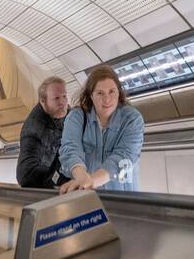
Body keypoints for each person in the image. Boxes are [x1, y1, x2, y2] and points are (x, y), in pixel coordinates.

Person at [59, 65, 145, 193]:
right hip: (87, 197)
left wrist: (90, 181)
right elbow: (70, 148)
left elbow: (124, 155)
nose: (107, 99)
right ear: (91, 95)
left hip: (123, 197)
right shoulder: (76, 117)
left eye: (112, 91)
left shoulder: (132, 119)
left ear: (119, 92)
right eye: (100, 93)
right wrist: (81, 177)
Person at [16, 77, 73, 189]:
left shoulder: (70, 114)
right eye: (56, 98)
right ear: (43, 101)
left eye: (64, 96)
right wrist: (59, 177)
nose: (62, 102)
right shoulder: (34, 129)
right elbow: (25, 175)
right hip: (45, 189)